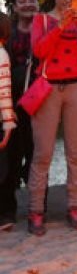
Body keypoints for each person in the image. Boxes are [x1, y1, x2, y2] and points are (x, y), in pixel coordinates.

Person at [28, 0, 77, 235]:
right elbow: (39, 51)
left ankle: (74, 207)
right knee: (43, 153)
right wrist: (60, 27)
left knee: (76, 153)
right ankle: (36, 211)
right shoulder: (42, 20)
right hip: (49, 87)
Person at [0, 0, 39, 230]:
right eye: (21, 1)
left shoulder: (46, 31)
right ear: (14, 8)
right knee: (12, 160)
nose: (26, 4)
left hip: (40, 105)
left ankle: (38, 209)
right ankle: (8, 211)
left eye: (30, 0)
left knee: (38, 157)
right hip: (13, 104)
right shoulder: (7, 37)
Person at [0, 13, 17, 230]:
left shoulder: (2, 55)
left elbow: (4, 92)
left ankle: (5, 215)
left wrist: (7, 124)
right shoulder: (2, 54)